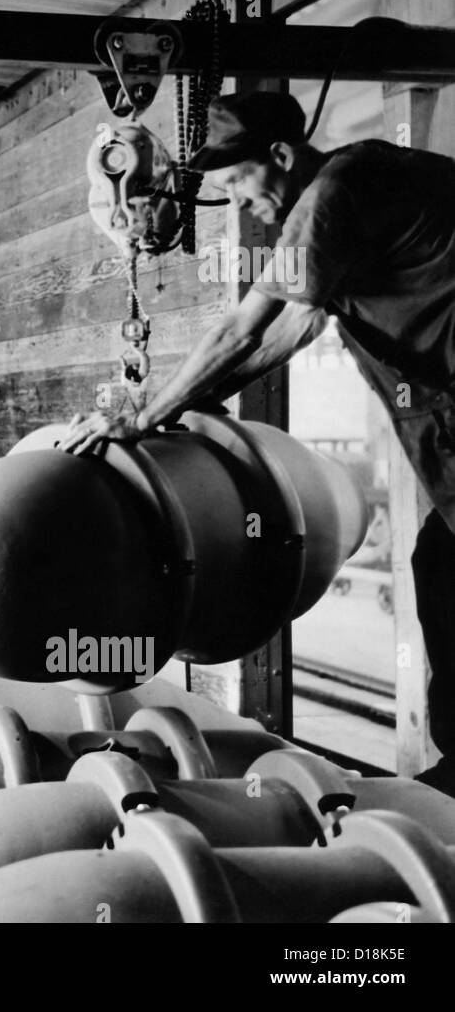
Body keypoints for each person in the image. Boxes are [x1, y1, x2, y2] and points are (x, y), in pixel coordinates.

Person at [61, 91, 455, 796]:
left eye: (240, 183)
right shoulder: (348, 190)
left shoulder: (336, 192)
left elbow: (244, 329)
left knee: (447, 570)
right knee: (443, 563)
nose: (242, 204)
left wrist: (143, 416)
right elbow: (291, 330)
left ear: (281, 156)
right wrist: (191, 400)